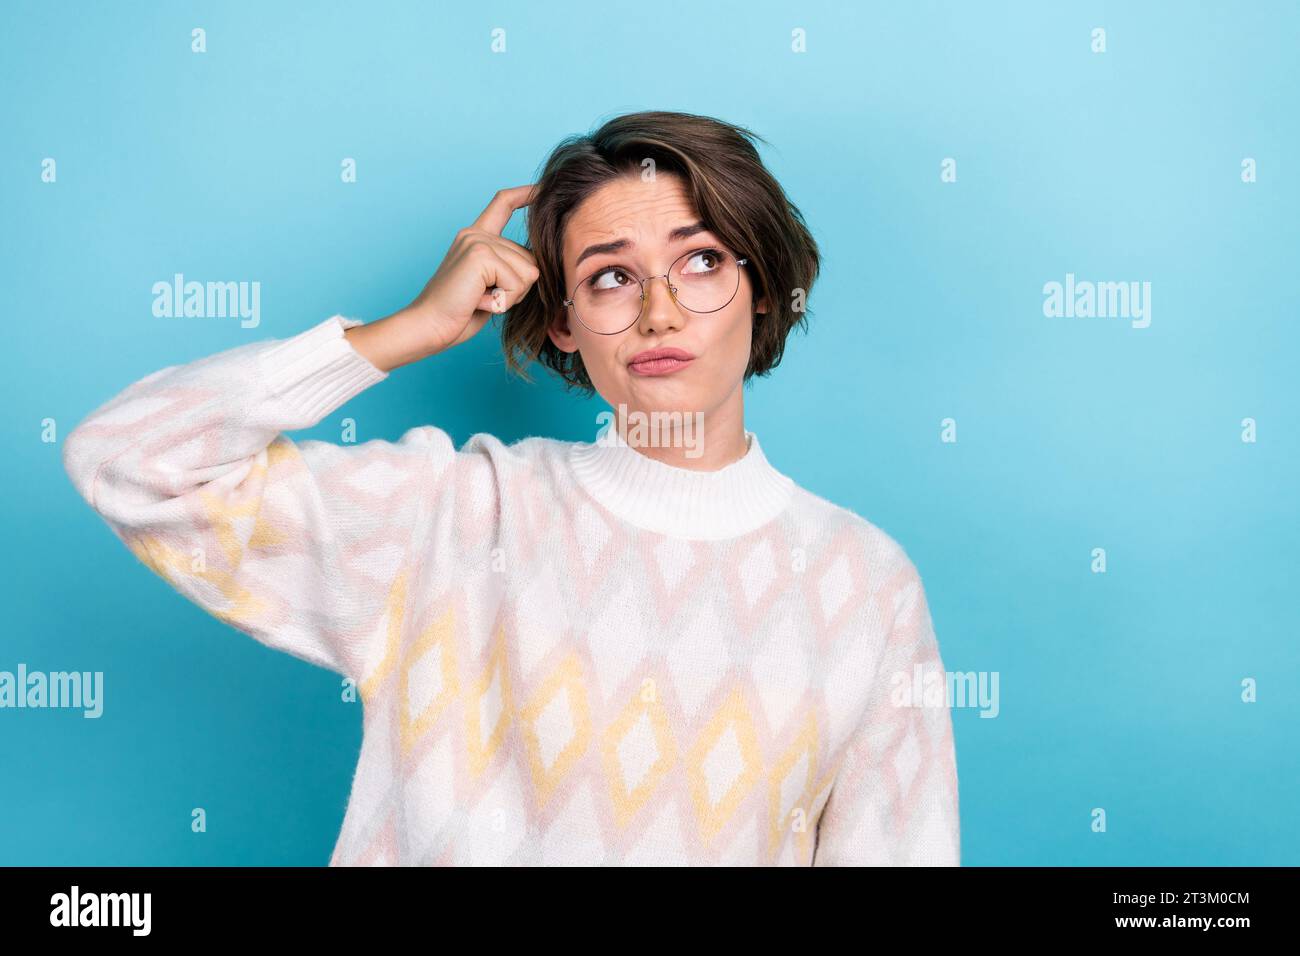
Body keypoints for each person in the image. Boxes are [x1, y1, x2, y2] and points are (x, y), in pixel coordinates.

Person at [62, 110, 960, 866]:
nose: (659, 311)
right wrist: (402, 331)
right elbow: (128, 459)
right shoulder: (447, 516)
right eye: (611, 276)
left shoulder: (864, 584)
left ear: (763, 288)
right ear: (564, 322)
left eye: (701, 261)